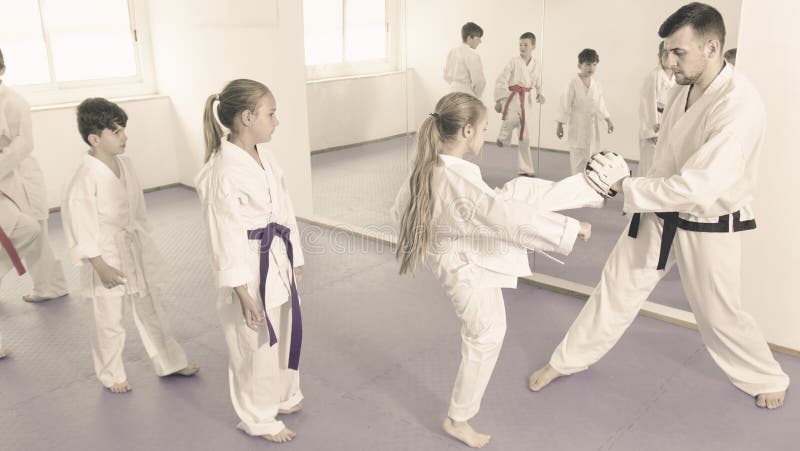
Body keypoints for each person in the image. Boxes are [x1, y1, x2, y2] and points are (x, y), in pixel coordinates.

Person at [529, 2, 790, 411]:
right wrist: (635, 188)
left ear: (711, 47)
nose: (670, 62)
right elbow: (666, 157)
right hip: (657, 211)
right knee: (616, 286)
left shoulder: (739, 107)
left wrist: (626, 186)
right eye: (668, 52)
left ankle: (767, 376)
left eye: (678, 52)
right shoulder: (683, 86)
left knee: (719, 314)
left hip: (706, 221)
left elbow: (698, 188)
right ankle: (566, 360)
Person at [391, 92, 600, 448]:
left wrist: (443, 231)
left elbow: (401, 213)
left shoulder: (434, 167)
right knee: (486, 334)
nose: (486, 135)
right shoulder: (457, 181)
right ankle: (457, 419)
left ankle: (590, 189)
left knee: (516, 191)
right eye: (485, 128)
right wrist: (569, 228)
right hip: (464, 268)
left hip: (462, 253)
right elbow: (503, 219)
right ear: (467, 131)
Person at [62, 98, 198, 394]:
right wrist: (99, 265)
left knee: (152, 307)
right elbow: (79, 225)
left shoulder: (126, 164)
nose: (124, 137)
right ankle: (111, 374)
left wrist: (145, 243)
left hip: (134, 247)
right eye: (116, 132)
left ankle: (170, 361)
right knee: (108, 319)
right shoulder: (85, 177)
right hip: (104, 255)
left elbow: (137, 210)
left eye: (123, 129)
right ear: (95, 139)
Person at [196, 79, 305, 443]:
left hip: (276, 256)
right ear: (247, 117)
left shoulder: (264, 156)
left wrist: (296, 257)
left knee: (283, 330)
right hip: (247, 268)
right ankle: (258, 417)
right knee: (254, 345)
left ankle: (283, 394)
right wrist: (241, 292)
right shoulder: (223, 171)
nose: (277, 121)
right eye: (270, 114)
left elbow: (285, 209)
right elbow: (223, 235)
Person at [0, 47, 68, 303]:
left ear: (2, 69)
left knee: (35, 234)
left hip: (20, 176)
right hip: (6, 177)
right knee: (17, 231)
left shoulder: (15, 102)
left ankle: (50, 286)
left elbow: (24, 144)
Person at [494, 32, 546, 177]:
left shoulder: (536, 64)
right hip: (512, 97)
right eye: (520, 45)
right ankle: (503, 137)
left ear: (533, 46)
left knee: (525, 136)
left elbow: (538, 81)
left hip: (526, 99)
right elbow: (501, 79)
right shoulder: (513, 61)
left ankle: (526, 169)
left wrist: (539, 93)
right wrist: (499, 100)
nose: (522, 47)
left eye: (525, 45)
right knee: (511, 120)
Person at [556, 48, 614, 175]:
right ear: (579, 65)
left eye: (594, 64)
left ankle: (589, 183)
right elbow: (565, 104)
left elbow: (600, 105)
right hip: (577, 125)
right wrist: (560, 124)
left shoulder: (596, 84)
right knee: (578, 160)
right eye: (588, 64)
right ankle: (576, 183)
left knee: (592, 160)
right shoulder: (572, 83)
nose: (591, 68)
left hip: (592, 127)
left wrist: (608, 120)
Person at [637, 41, 675, 176]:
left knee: (663, 169)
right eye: (665, 53)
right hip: (654, 131)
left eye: (672, 53)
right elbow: (647, 105)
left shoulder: (677, 78)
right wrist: (652, 132)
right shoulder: (653, 76)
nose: (669, 57)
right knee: (649, 167)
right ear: (659, 55)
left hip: (669, 128)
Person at [444, 22, 486, 98]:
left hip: (450, 94)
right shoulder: (472, 55)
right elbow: (479, 81)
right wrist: (476, 96)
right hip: (466, 95)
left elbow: (446, 76)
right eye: (478, 38)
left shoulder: (452, 52)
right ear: (469, 38)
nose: (480, 41)